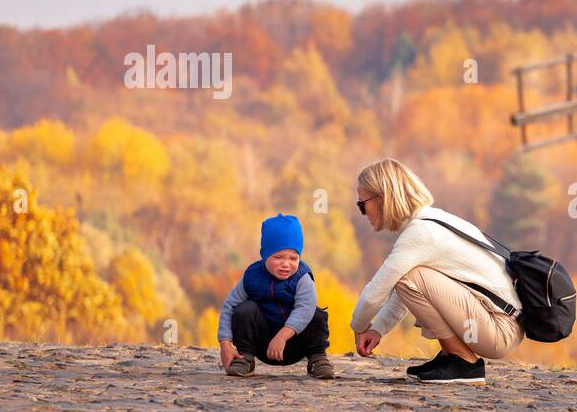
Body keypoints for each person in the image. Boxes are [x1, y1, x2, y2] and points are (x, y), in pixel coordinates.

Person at [350, 158, 523, 385]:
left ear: (382, 198)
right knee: (410, 276)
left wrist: (359, 327)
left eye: (362, 204)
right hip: (500, 323)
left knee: (407, 277)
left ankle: (462, 362)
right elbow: (411, 291)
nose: (363, 212)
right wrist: (378, 330)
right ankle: (452, 356)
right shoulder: (433, 220)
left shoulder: (420, 233)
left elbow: (377, 292)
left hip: (499, 329)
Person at [217, 213, 334, 379]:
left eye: (293, 258)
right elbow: (229, 306)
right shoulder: (252, 276)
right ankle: (245, 359)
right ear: (265, 255)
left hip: (295, 343)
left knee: (314, 313)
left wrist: (282, 336)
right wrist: (225, 344)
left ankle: (317, 359)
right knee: (244, 309)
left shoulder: (302, 278)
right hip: (262, 345)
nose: (286, 264)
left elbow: (304, 308)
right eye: (278, 257)